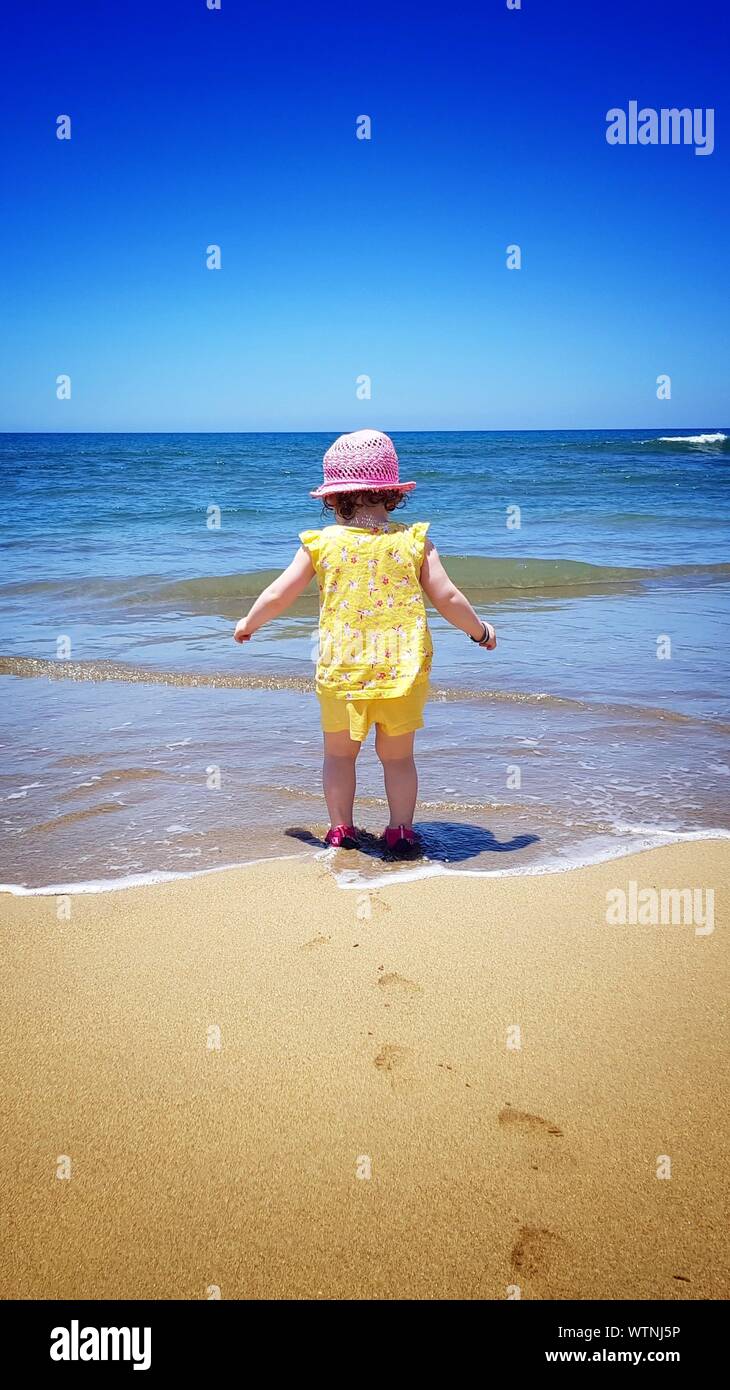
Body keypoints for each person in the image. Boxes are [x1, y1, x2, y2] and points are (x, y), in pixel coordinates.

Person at [234, 429, 496, 858]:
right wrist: (480, 631)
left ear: (333, 498)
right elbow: (447, 596)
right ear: (392, 495)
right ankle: (400, 831)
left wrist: (250, 622)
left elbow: (280, 592)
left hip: (343, 672)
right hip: (402, 671)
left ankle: (341, 829)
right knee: (397, 759)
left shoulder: (321, 544)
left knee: (339, 756)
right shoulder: (413, 542)